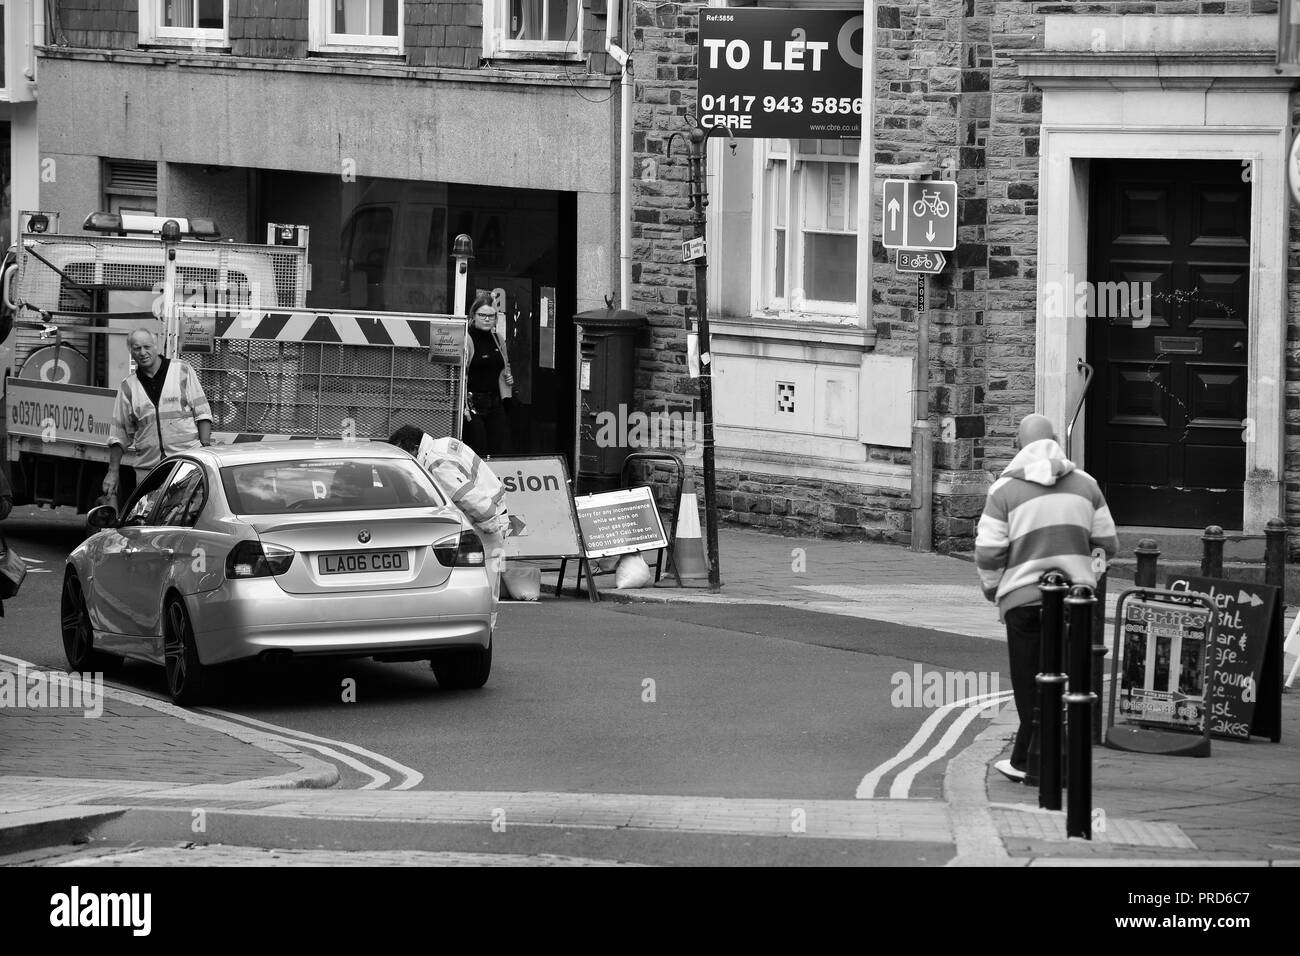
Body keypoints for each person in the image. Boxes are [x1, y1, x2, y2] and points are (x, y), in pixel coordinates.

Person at [974, 413, 1117, 784]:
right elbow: (1107, 544)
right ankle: (1034, 760)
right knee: (1066, 682)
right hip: (1076, 602)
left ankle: (1035, 763)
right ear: (1056, 440)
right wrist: (1089, 577)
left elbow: (989, 553)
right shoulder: (1087, 485)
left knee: (1030, 684)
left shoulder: (1003, 491)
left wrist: (996, 591)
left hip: (1023, 602)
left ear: (1018, 446)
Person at [389, 425, 510, 623]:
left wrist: (489, 523)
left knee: (483, 584)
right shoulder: (443, 444)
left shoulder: (435, 462)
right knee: (487, 581)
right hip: (494, 514)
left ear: (411, 447)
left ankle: (482, 632)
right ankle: (482, 631)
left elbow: (465, 496)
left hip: (486, 523)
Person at [102, 328, 214, 501]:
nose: (142, 352)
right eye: (137, 348)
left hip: (186, 466)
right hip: (149, 472)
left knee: (187, 519)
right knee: (150, 523)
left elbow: (203, 413)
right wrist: (112, 472)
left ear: (157, 347)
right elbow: (119, 435)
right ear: (131, 351)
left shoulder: (182, 370)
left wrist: (205, 451)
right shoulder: (128, 387)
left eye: (147, 346)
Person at [462, 294, 514, 458]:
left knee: (499, 452)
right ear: (473, 316)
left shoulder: (498, 339)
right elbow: (459, 375)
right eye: (482, 315)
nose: (486, 319)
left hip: (496, 404)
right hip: (472, 407)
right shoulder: (466, 339)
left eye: (491, 316)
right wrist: (464, 407)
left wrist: (509, 378)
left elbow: (505, 365)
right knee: (478, 454)